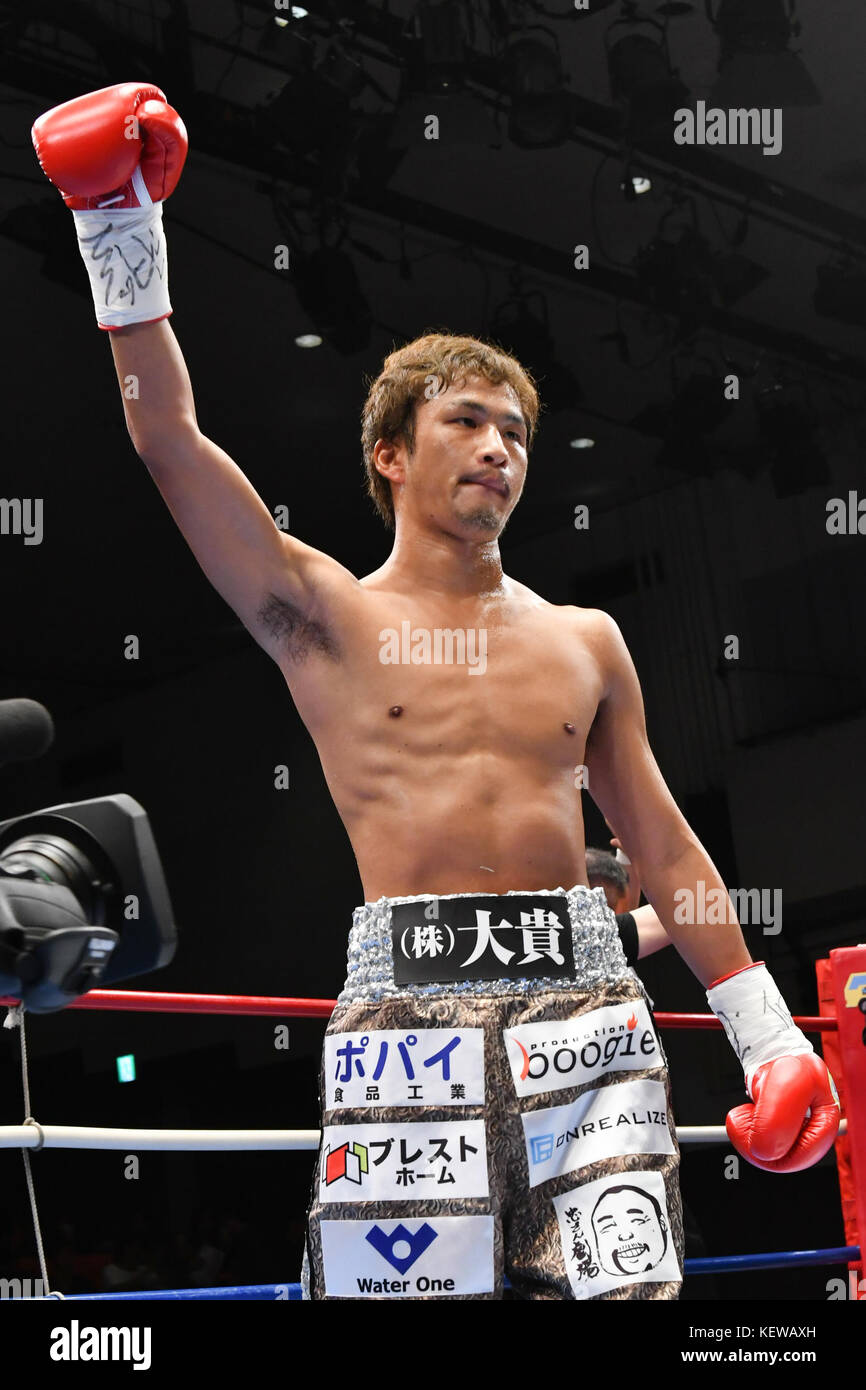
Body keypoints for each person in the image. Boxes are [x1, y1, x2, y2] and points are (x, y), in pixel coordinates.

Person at [32, 83, 840, 1302]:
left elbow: (665, 849)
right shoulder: (324, 616)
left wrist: (766, 1035)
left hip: (589, 1004)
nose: (499, 447)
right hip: (406, 1010)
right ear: (392, 455)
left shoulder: (587, 640)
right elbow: (170, 444)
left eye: (516, 430)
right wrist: (116, 228)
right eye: (465, 419)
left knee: (626, 1295)